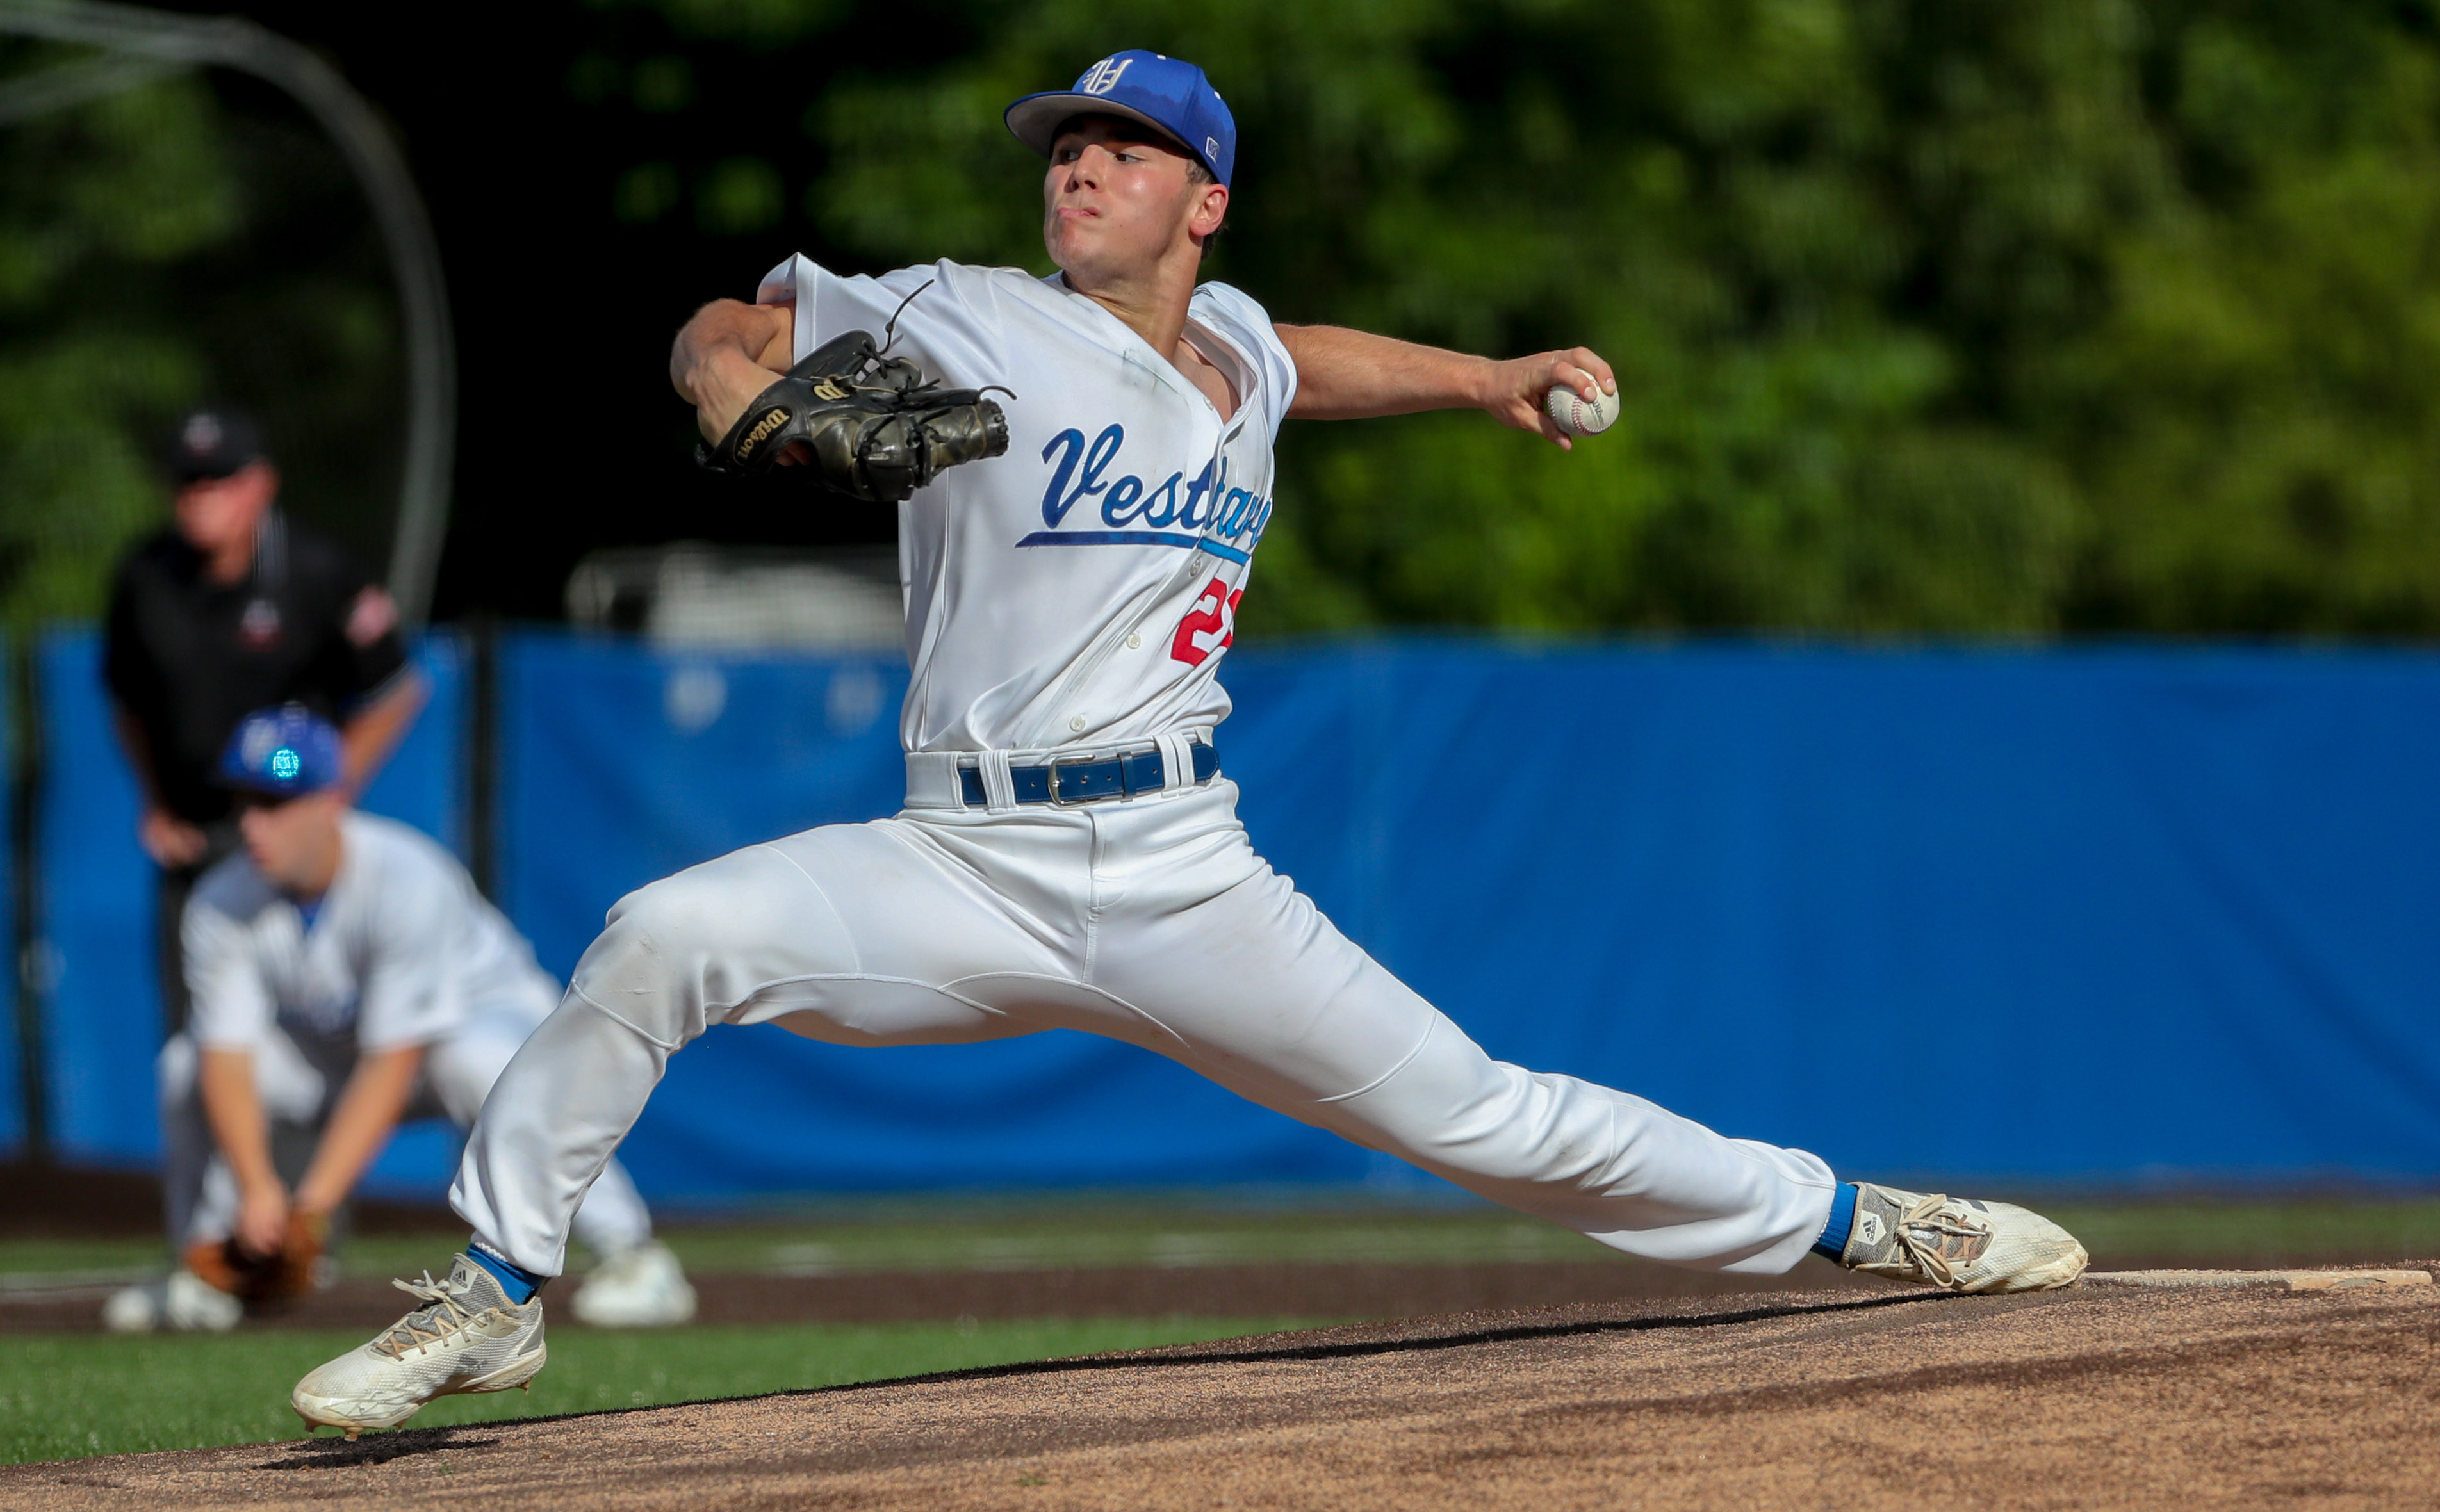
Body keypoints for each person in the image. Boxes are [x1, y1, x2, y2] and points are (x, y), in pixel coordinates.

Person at [291, 50, 2087, 1435]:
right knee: (663, 935)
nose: (1076, 164)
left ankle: (1861, 1219)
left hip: (1178, 872)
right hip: (957, 860)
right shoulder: (970, 313)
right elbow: (723, 319)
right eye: (1064, 145)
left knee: (1485, 1114)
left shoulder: (1232, 340)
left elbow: (1298, 353)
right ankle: (497, 1289)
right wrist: (735, 387)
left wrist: (1479, 379)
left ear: (1202, 201)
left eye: (1120, 149)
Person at [102, 706, 696, 1333]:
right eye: (243, 801)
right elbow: (227, 1054)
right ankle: (203, 1265)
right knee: (185, 1064)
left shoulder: (405, 876)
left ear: (331, 800)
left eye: (274, 802)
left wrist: (312, 1209)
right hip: (341, 1053)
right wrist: (257, 1189)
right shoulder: (222, 899)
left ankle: (634, 1256)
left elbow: (396, 1061)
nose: (252, 823)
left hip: (483, 1038)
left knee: (469, 1058)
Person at [104, 405, 430, 1037]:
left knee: (299, 1042)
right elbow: (128, 701)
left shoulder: (314, 568)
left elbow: (395, 688)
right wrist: (154, 802)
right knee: (198, 1046)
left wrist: (330, 785)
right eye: (188, 481)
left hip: (285, 822)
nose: (201, 497)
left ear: (260, 484)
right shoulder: (145, 577)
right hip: (199, 839)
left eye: (219, 479)